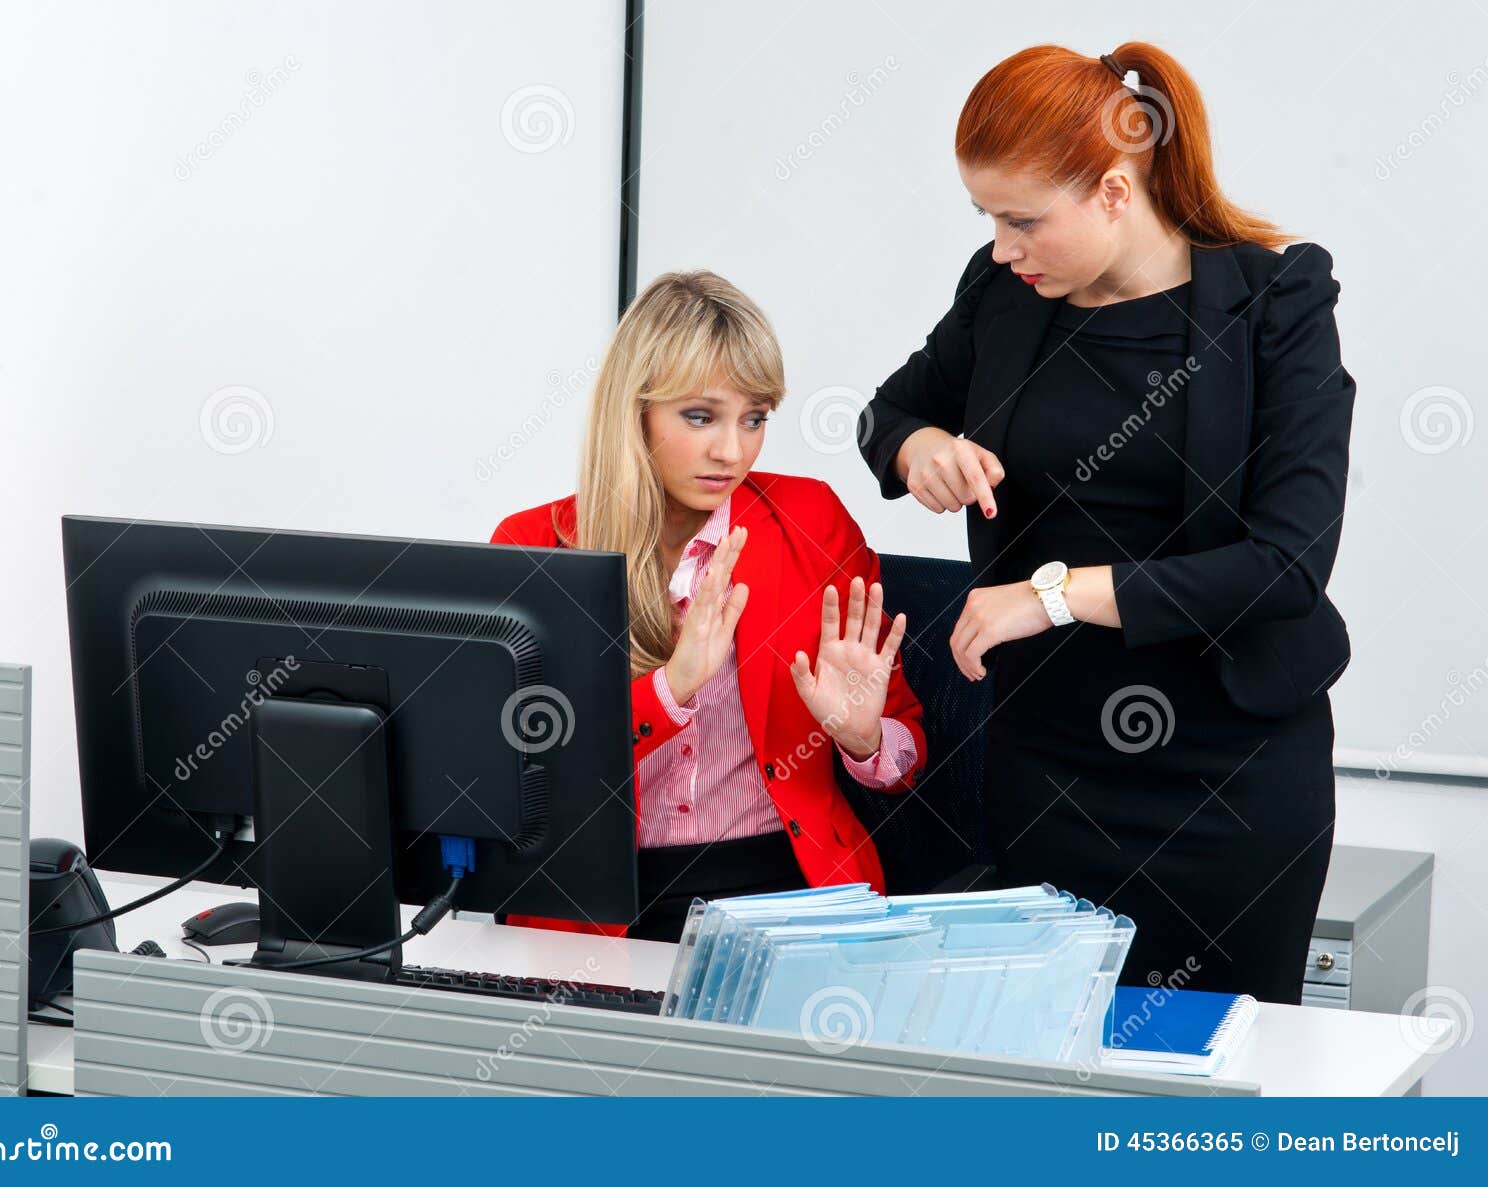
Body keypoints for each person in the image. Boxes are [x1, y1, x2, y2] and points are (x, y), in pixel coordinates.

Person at [857, 42, 1355, 1003]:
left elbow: (1286, 563)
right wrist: (919, 448)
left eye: (1024, 220)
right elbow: (887, 413)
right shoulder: (1005, 294)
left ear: (1117, 192)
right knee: (1047, 1067)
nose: (1004, 246)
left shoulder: (1275, 304)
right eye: (988, 219)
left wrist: (1055, 596)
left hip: (1231, 775)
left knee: (1214, 1081)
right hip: (1049, 763)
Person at [493, 269, 928, 942]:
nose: (733, 450)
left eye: (754, 418)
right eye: (700, 416)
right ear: (634, 409)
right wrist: (670, 690)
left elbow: (903, 761)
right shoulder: (533, 544)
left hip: (787, 891)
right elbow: (518, 767)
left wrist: (862, 736)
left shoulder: (811, 519)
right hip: (599, 905)